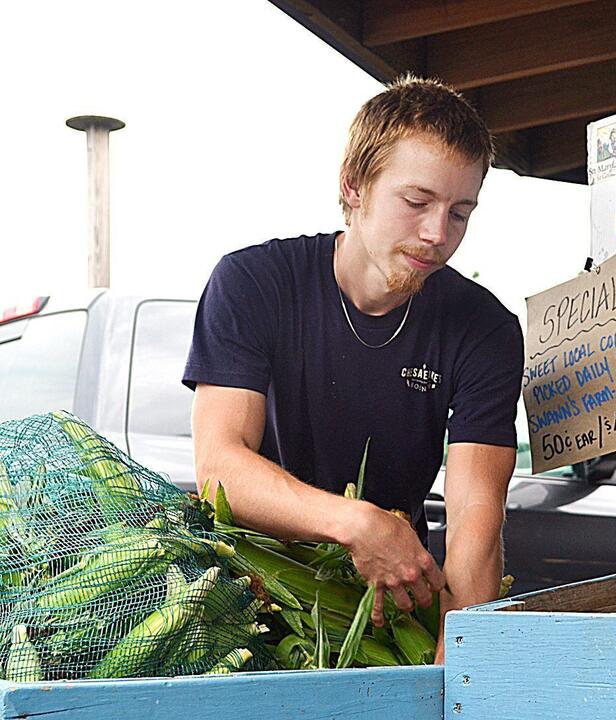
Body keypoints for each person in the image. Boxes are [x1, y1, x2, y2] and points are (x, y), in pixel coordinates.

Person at [182, 75, 524, 664]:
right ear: (355, 186)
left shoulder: (486, 329)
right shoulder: (253, 283)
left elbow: (475, 508)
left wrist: (458, 655)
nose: (437, 234)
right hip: (246, 594)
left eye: (460, 213)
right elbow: (220, 469)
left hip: (389, 600)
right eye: (416, 202)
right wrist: (359, 525)